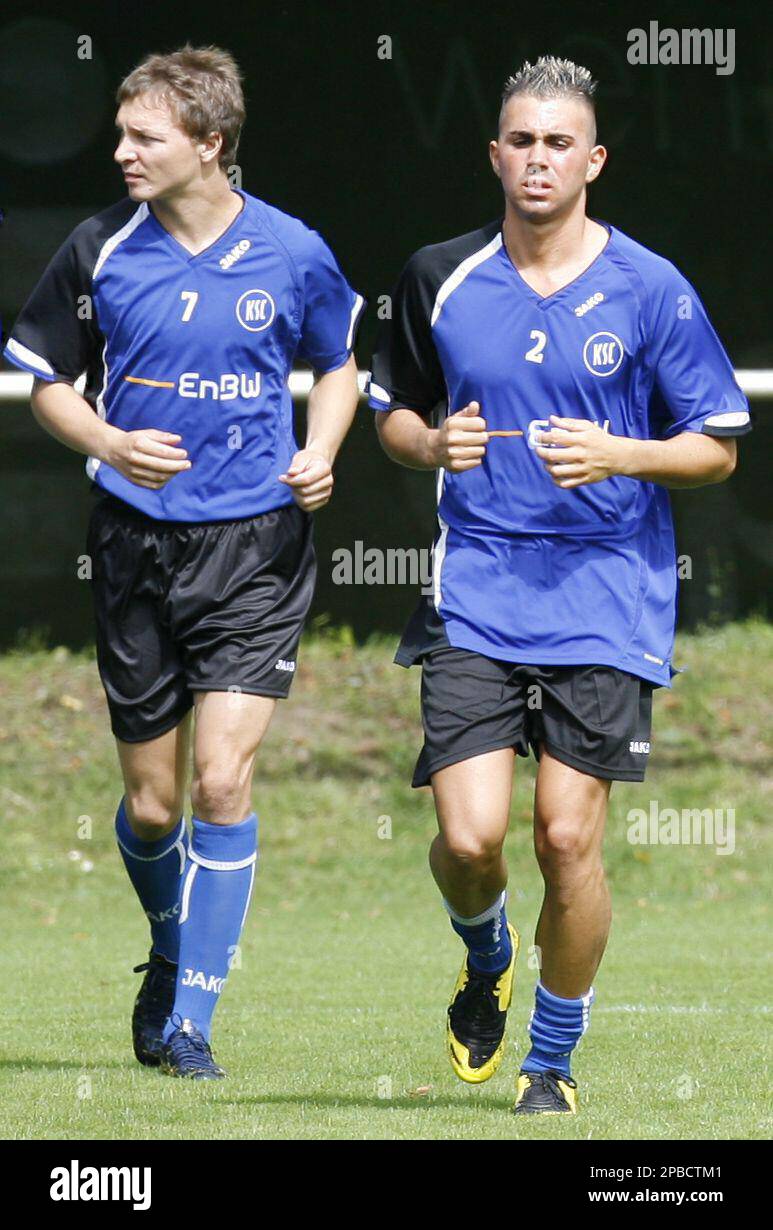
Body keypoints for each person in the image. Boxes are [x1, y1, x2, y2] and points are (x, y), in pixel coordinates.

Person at [367, 56, 749, 1114]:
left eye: (556, 143)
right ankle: (483, 950)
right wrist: (429, 442)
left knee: (565, 837)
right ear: (494, 155)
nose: (537, 159)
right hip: (476, 591)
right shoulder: (436, 275)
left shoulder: (648, 287)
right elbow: (390, 413)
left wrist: (621, 455)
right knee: (468, 839)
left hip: (606, 595)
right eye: (519, 142)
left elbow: (715, 445)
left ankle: (550, 1061)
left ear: (592, 160)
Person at [3, 45, 363, 1080]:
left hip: (255, 544)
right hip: (132, 543)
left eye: (142, 136)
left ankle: (192, 1024)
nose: (120, 152)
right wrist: (110, 442)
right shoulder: (97, 248)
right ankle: (168, 949)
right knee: (154, 807)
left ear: (209, 144)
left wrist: (320, 452)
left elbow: (336, 363)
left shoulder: (290, 250)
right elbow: (47, 384)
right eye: (121, 133)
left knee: (221, 778)